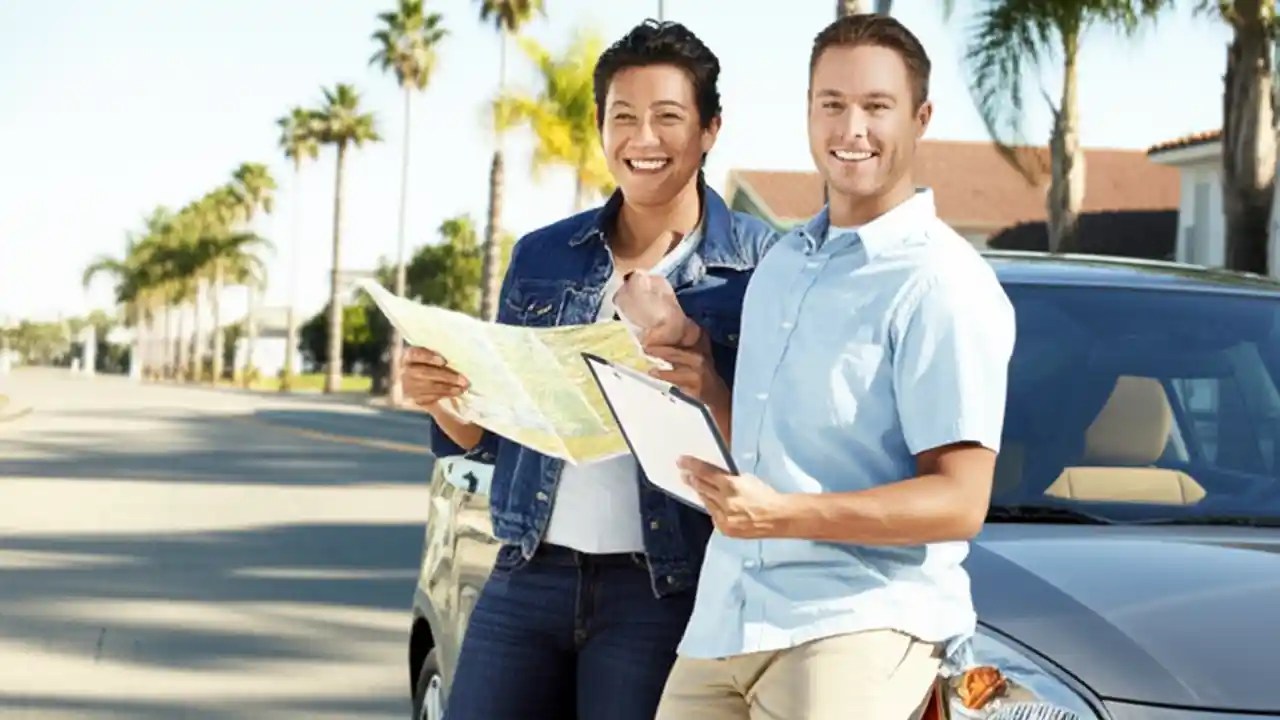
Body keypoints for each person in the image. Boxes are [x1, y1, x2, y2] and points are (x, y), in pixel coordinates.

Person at [400, 19, 778, 720]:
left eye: (668, 117)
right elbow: (489, 436)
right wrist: (442, 399)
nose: (643, 139)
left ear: (709, 130)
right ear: (600, 127)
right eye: (622, 117)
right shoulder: (544, 256)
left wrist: (706, 381)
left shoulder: (765, 268)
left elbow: (785, 442)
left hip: (663, 591)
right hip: (527, 574)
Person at [652, 13, 1016, 720]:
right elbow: (772, 446)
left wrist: (783, 516)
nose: (852, 128)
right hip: (730, 616)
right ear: (809, 113)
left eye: (877, 107)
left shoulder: (941, 281)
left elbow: (960, 501)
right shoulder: (785, 264)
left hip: (859, 624)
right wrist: (706, 385)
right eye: (832, 104)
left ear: (921, 118)